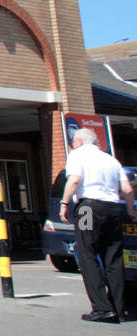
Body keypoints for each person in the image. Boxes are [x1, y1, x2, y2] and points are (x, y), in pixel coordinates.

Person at [59, 128, 136, 323]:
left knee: (87, 254)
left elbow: (74, 180)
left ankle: (101, 308)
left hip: (88, 207)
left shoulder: (77, 155)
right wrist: (131, 210)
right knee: (114, 257)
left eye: (73, 142)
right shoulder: (110, 160)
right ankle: (118, 308)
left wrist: (64, 203)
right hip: (113, 208)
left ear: (78, 142)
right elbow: (126, 188)